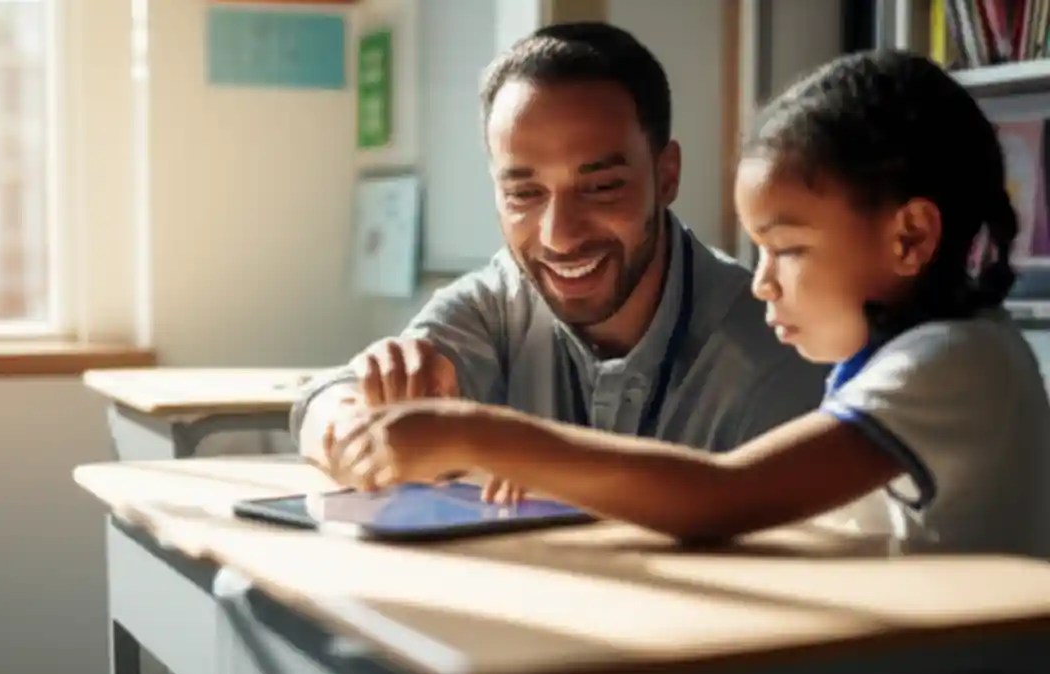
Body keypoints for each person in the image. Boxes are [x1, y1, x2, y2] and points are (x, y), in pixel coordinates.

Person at [324, 49, 1050, 556]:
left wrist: (481, 435)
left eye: (789, 249)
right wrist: (550, 469)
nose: (761, 280)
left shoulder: (955, 362)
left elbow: (725, 495)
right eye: (758, 250)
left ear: (911, 235)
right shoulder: (906, 359)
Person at [292, 23, 826, 484]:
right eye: (524, 193)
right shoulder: (499, 302)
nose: (559, 237)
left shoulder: (772, 347)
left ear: (666, 176)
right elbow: (324, 402)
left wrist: (482, 443)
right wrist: (355, 427)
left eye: (600, 188)